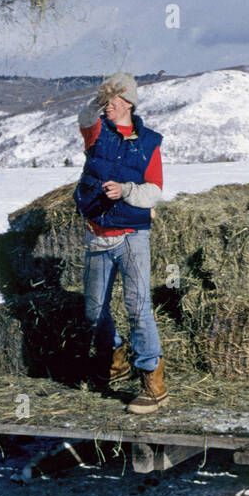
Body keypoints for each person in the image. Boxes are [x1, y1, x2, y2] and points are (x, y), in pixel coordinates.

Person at [73, 72, 167, 414]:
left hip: (131, 238)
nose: (107, 108)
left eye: (112, 102)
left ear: (128, 103)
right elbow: (84, 118)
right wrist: (97, 99)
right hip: (97, 235)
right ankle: (116, 362)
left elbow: (154, 191)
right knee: (94, 311)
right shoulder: (97, 132)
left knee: (138, 307)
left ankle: (153, 384)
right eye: (105, 102)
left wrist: (125, 191)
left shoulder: (149, 142)